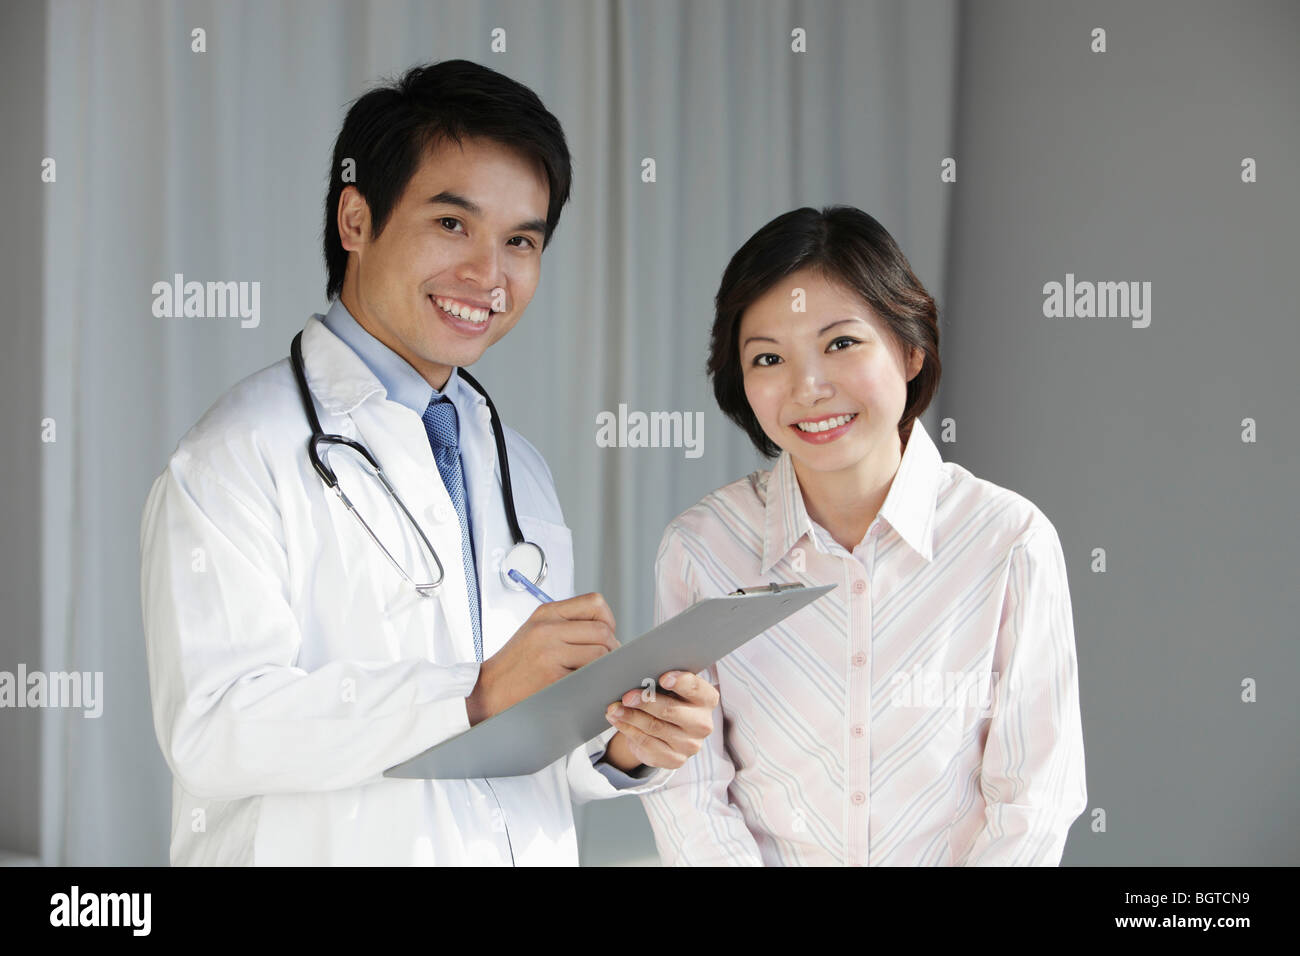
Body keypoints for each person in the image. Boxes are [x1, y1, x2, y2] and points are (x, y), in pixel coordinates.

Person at [139, 60, 717, 866]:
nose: (488, 274)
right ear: (355, 219)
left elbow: (516, 739)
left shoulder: (518, 468)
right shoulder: (236, 456)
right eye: (453, 224)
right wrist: (471, 692)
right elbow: (215, 729)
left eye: (521, 240)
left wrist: (623, 745)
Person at [639, 206, 1087, 865]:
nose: (808, 387)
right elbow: (687, 787)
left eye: (840, 343)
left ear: (910, 350)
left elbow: (1034, 798)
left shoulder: (1009, 542)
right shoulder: (701, 549)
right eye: (768, 357)